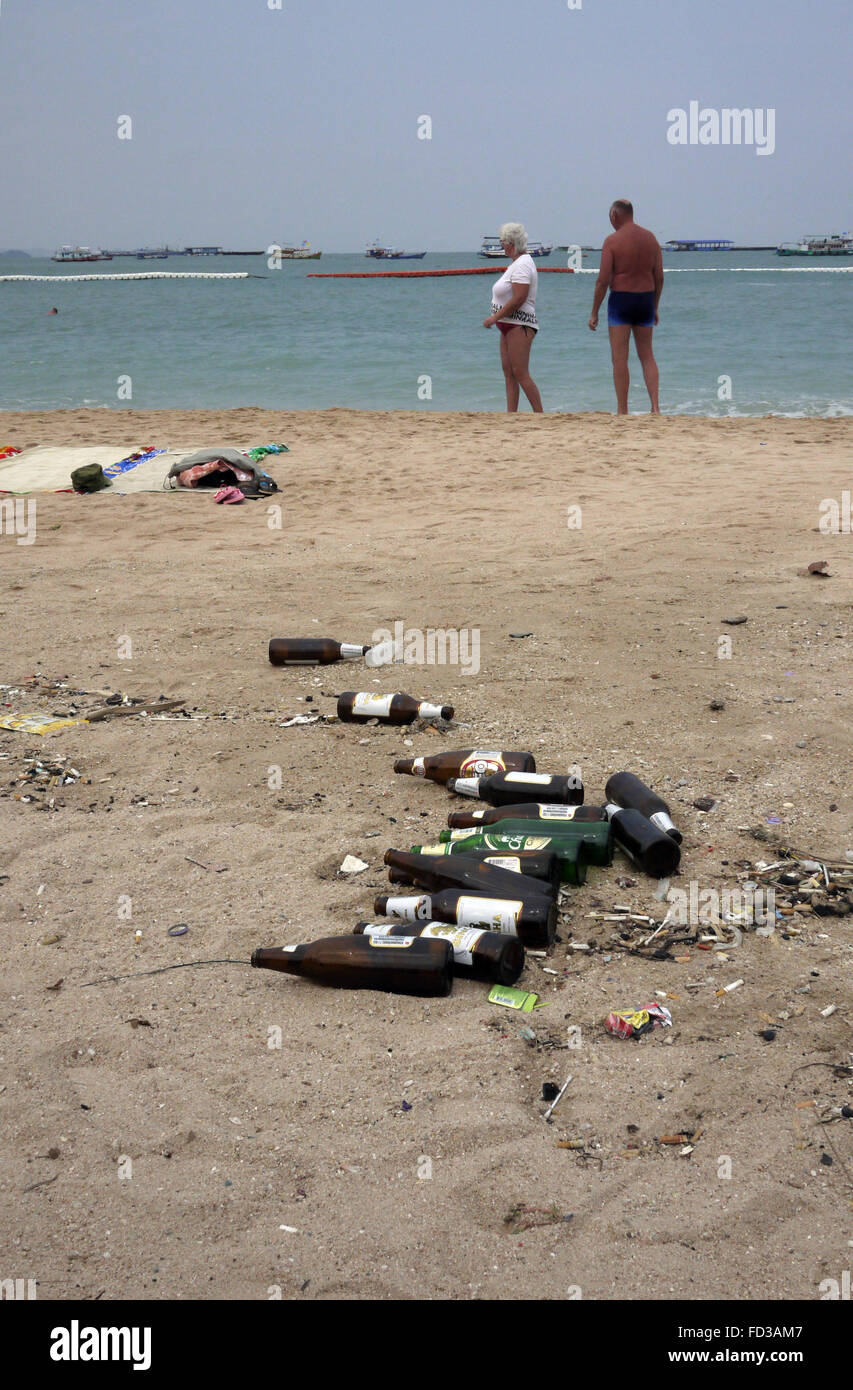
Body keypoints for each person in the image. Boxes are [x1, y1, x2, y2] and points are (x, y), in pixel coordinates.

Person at [588, 200, 663, 414]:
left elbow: (602, 280)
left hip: (621, 300)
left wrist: (594, 311)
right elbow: (659, 276)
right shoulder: (651, 239)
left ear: (614, 215)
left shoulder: (612, 241)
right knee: (647, 355)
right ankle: (655, 408)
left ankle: (622, 410)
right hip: (645, 300)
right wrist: (655, 306)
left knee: (619, 357)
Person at [483, 223, 543, 412]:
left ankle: (539, 414)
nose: (502, 246)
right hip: (508, 324)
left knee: (520, 373)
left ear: (511, 243)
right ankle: (511, 414)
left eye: (503, 242)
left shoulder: (523, 264)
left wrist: (495, 317)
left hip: (520, 324)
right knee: (508, 373)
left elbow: (519, 298)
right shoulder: (516, 264)